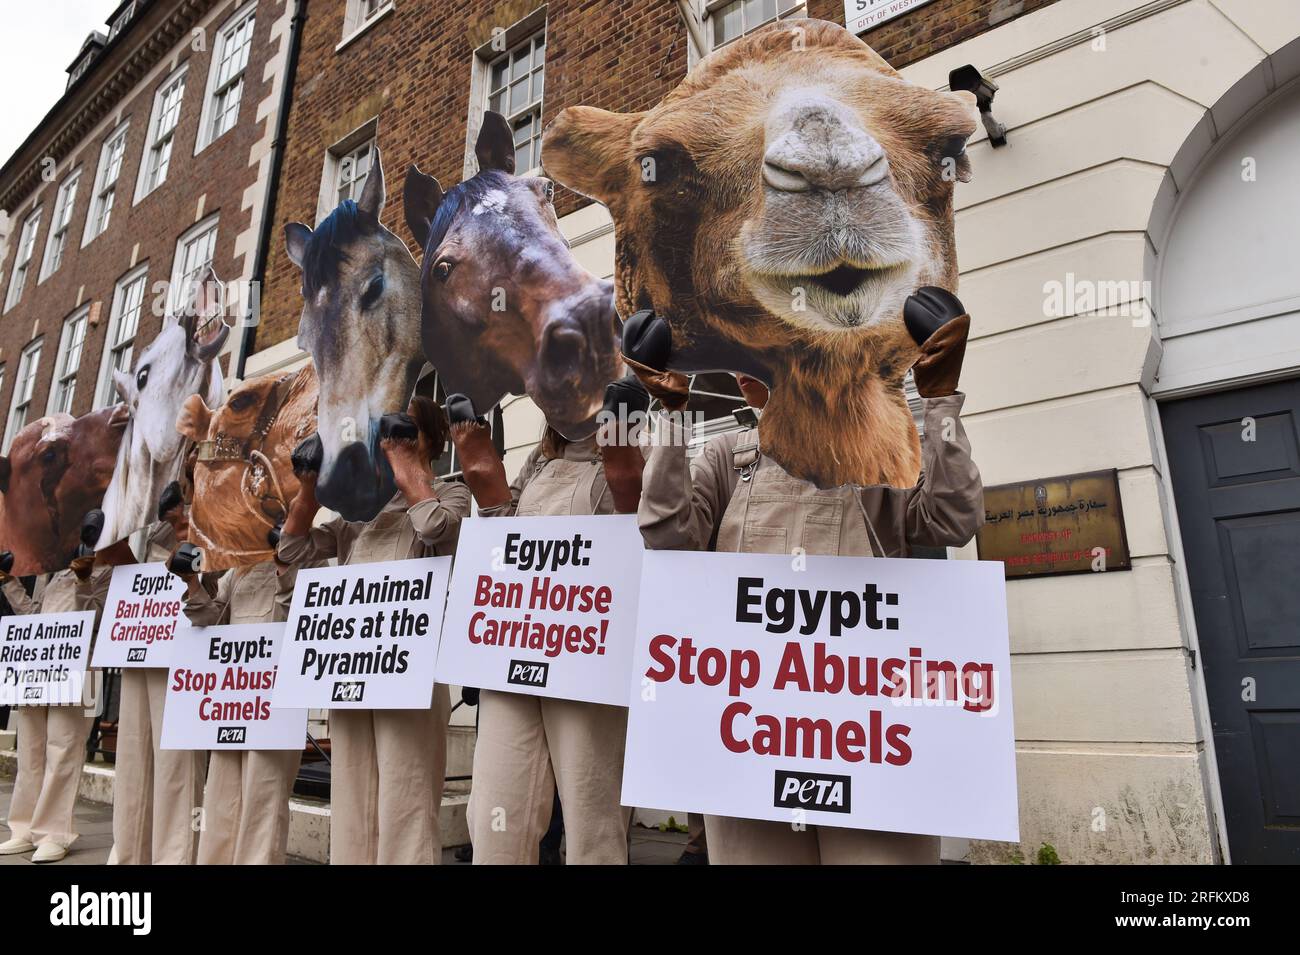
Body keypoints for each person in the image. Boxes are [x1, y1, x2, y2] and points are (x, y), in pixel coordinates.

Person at [627, 288, 983, 865]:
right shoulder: (727, 457)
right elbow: (666, 532)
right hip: (749, 740)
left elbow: (950, 520)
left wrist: (939, 400)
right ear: (748, 384)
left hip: (870, 744)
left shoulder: (880, 446)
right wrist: (668, 417)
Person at [447, 374, 649, 865]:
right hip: (514, 653)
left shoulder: (644, 449)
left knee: (592, 819)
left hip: (589, 660)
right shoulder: (539, 463)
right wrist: (479, 463)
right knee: (495, 812)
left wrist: (623, 451)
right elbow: (503, 540)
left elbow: (652, 532)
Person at [276, 396, 469, 865]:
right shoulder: (354, 516)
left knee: (405, 797)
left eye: (402, 431)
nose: (386, 443)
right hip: (351, 671)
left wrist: (406, 464)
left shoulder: (451, 494)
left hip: (411, 676)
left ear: (429, 440)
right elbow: (291, 555)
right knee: (353, 798)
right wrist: (307, 489)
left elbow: (440, 530)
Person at [177, 540, 308, 865]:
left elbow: (306, 616)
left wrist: (284, 561)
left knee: (263, 800)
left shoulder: (307, 558)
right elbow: (210, 617)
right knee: (221, 797)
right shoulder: (239, 570)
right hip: (232, 702)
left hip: (273, 708)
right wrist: (191, 581)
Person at [0, 535, 130, 862]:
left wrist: (86, 580)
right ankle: (23, 827)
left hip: (81, 669)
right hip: (37, 666)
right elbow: (34, 615)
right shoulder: (56, 572)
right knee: (30, 747)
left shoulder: (113, 573)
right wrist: (9, 583)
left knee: (64, 748)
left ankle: (54, 832)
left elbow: (99, 619)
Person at [108, 505, 209, 865]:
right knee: (133, 752)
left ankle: (175, 856)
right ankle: (129, 851)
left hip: (181, 622)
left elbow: (209, 554)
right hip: (138, 619)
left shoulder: (204, 477)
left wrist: (180, 517)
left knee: (176, 761)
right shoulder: (138, 492)